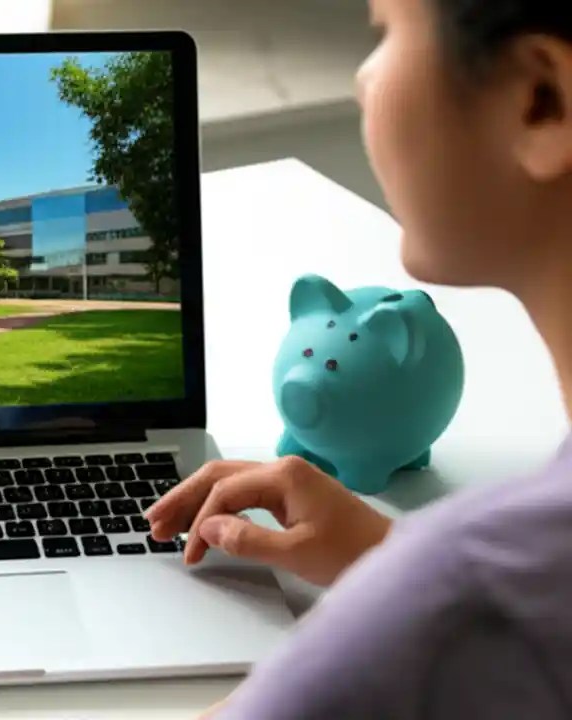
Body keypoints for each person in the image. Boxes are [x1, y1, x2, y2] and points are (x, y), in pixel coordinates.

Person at [145, 1, 572, 718]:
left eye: (387, 33)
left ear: (541, 101)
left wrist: (411, 587)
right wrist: (384, 553)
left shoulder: (450, 611)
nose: (364, 80)